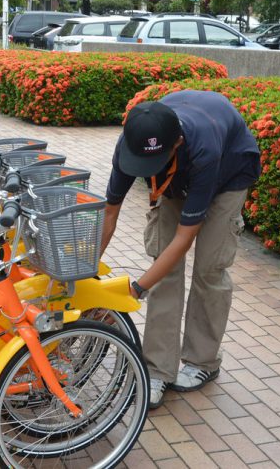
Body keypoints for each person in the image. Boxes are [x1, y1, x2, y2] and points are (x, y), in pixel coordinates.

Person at [100, 90, 261, 409]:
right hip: (177, 174)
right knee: (164, 267)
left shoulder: (204, 148)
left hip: (228, 174)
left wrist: (136, 289)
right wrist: (86, 271)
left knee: (209, 268)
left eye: (153, 162)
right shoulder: (131, 141)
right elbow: (109, 213)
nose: (144, 169)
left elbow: (184, 239)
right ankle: (158, 369)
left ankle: (203, 362)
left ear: (175, 144)